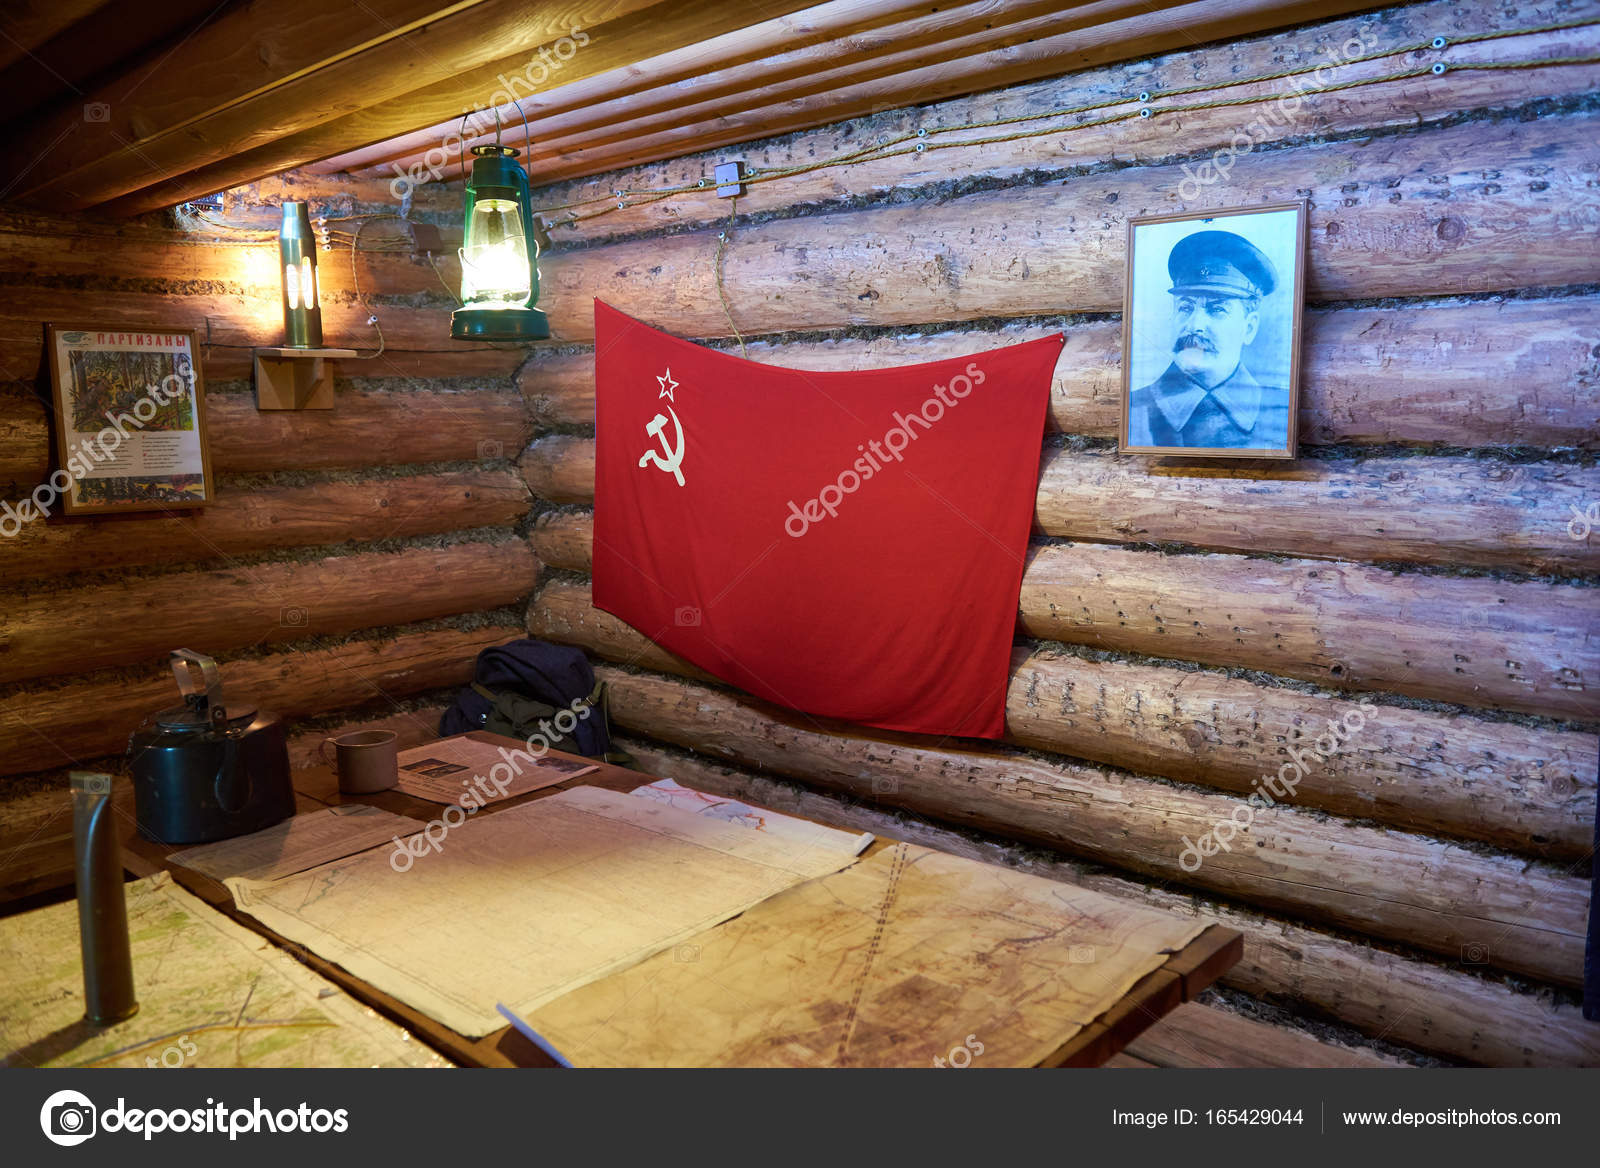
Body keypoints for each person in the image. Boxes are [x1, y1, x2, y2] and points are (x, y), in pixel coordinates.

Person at [1127, 228, 1289, 450]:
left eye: (1217, 309)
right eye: (1185, 307)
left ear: (1249, 328)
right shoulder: (1132, 410)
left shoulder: (1283, 411)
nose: (1194, 325)